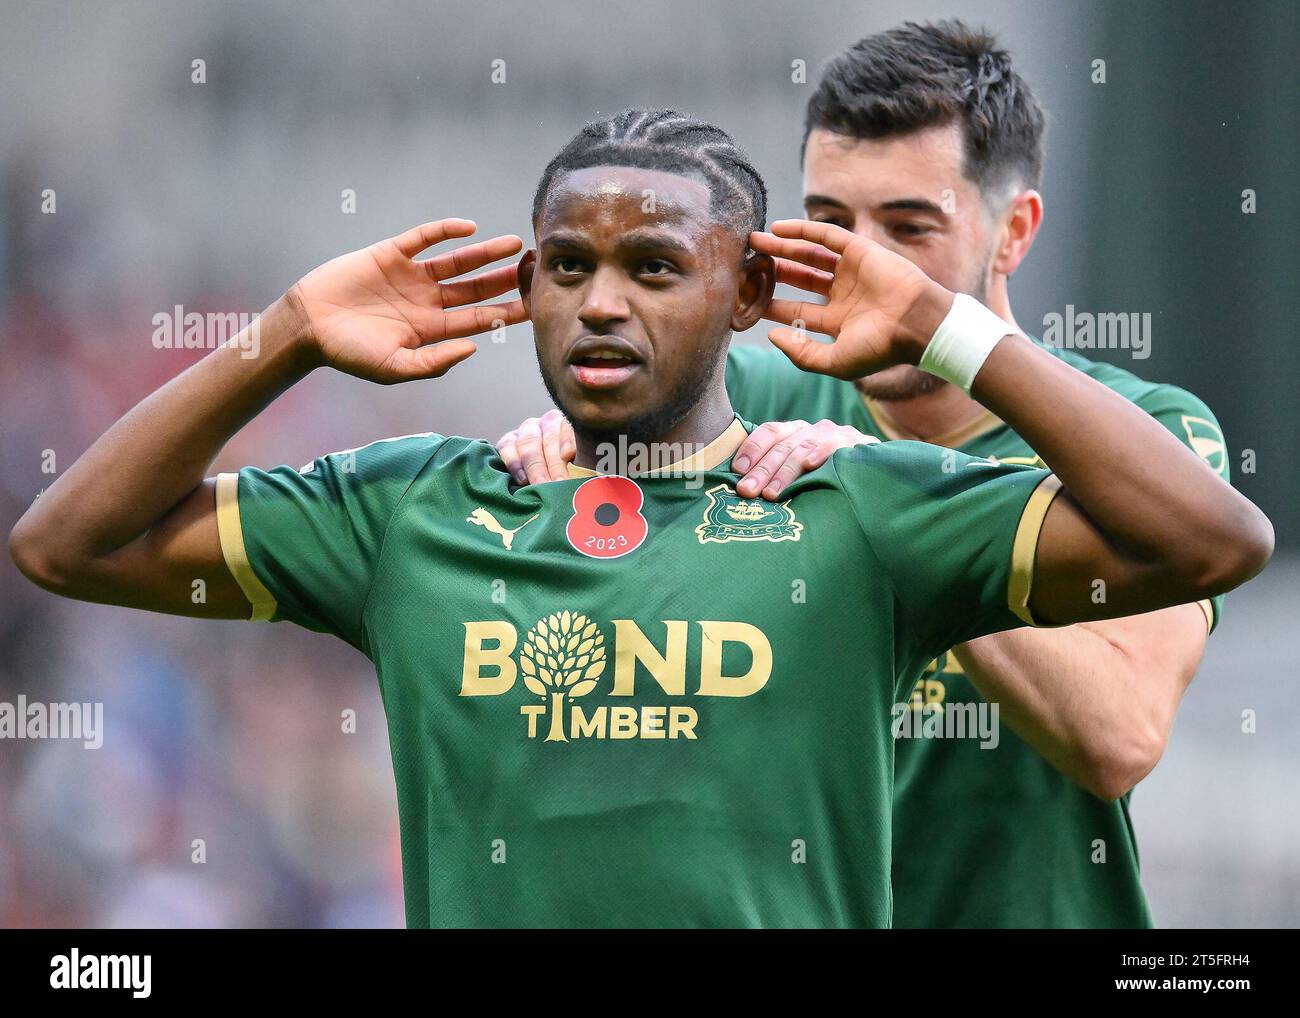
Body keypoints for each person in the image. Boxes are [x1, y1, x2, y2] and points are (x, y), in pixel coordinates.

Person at [10, 109, 1271, 928]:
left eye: (655, 267)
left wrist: (955, 332)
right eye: (567, 266)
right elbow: (69, 544)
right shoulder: (416, 512)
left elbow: (1210, 542)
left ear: (751, 293)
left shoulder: (855, 507)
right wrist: (283, 338)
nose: (601, 303)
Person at [494, 22, 1242, 930]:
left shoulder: (1143, 439)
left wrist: (900, 510)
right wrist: (569, 443)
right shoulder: (739, 405)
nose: (862, 263)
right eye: (832, 220)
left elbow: (1119, 735)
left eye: (908, 227)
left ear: (1014, 232)